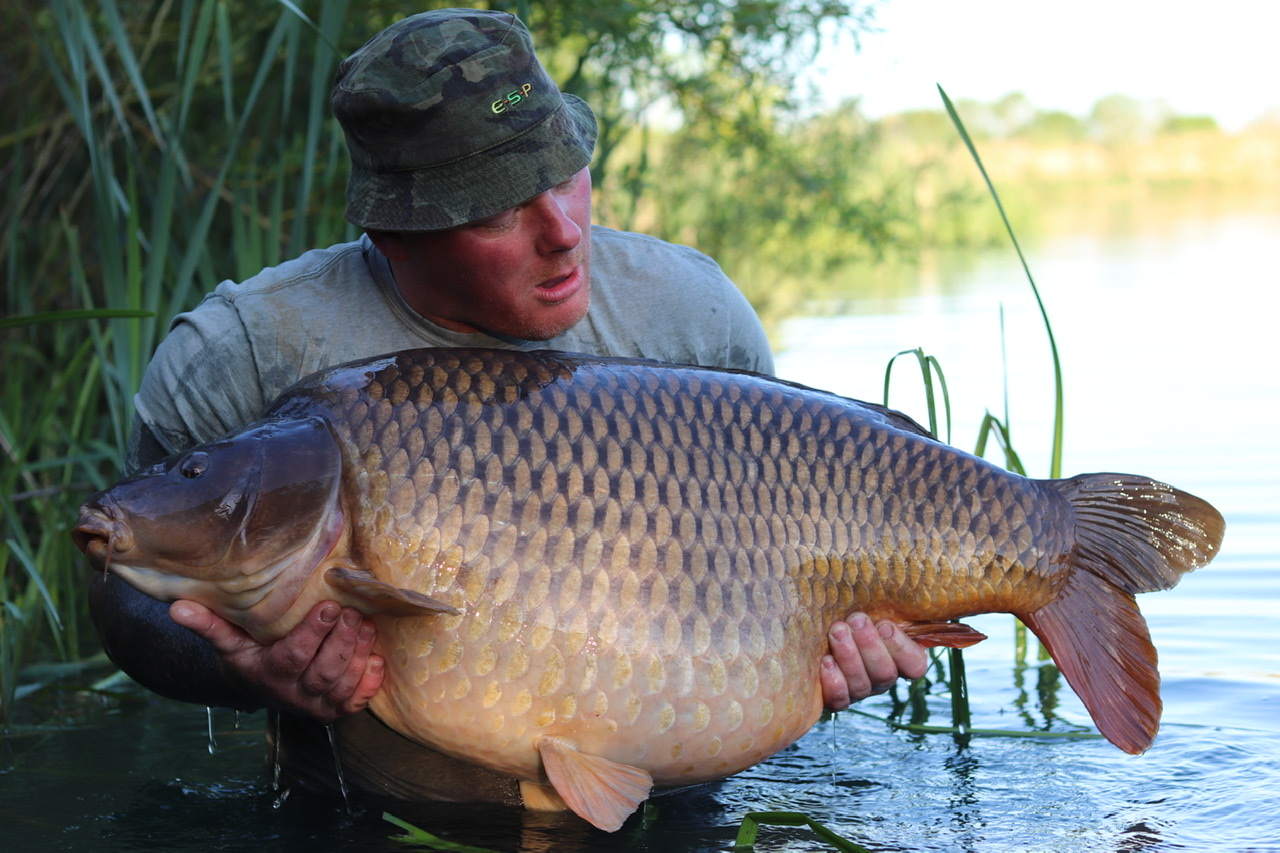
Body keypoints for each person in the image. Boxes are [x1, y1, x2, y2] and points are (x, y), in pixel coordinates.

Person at [88, 8, 928, 810]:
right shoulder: (246, 350)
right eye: (500, 209)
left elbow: (787, 567)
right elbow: (125, 598)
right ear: (396, 233)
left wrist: (848, 646)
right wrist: (244, 671)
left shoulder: (693, 315)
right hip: (362, 817)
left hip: (676, 811)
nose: (563, 230)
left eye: (565, 174)